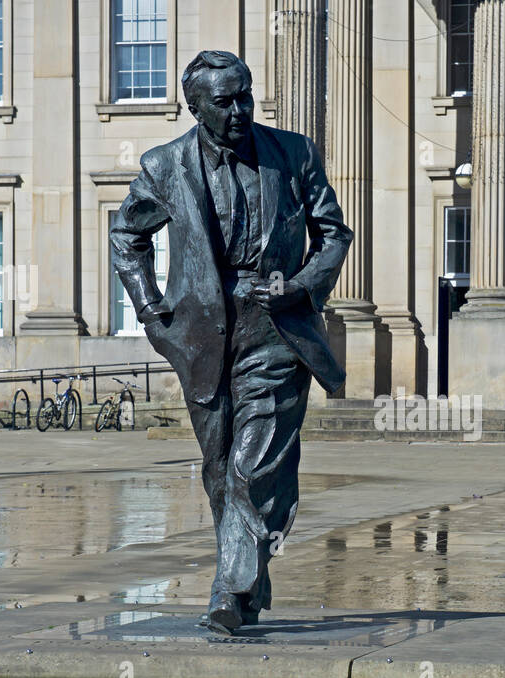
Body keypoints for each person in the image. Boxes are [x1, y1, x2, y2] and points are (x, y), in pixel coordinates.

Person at [111, 50, 351, 635]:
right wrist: (150, 311)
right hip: (201, 338)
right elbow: (127, 235)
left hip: (277, 331)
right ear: (196, 108)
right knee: (219, 471)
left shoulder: (293, 153)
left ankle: (225, 592)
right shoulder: (165, 165)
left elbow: (333, 233)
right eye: (225, 101)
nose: (241, 109)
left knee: (250, 468)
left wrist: (298, 286)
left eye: (245, 95)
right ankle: (249, 585)